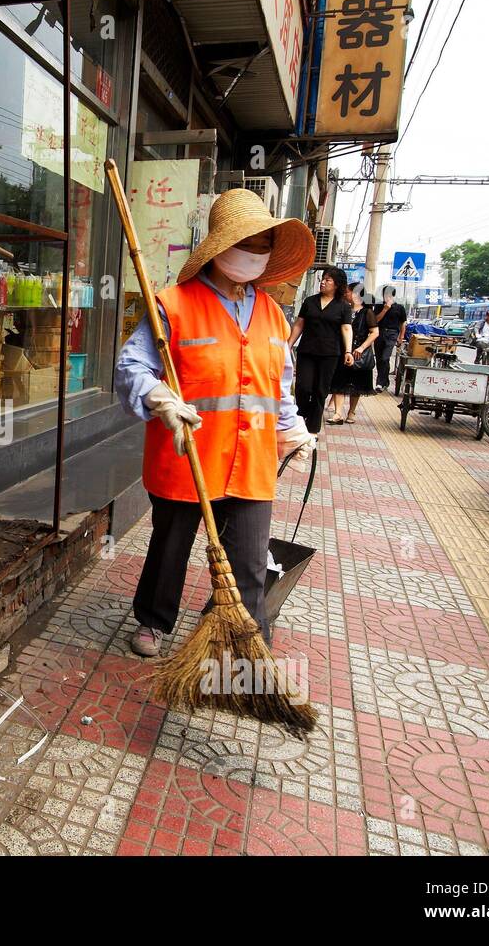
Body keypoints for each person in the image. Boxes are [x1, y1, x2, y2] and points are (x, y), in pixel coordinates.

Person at [115, 188, 317, 657]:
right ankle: (153, 620)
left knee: (248, 559)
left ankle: (240, 639)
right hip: (189, 458)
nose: (256, 255)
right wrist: (160, 396)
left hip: (251, 461)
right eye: (248, 244)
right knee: (172, 547)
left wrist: (293, 430)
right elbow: (132, 367)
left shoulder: (272, 313)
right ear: (220, 247)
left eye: (264, 246)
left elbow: (279, 384)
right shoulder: (174, 303)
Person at [289, 266, 353, 433]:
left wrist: (348, 351)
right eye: (322, 279)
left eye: (328, 280)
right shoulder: (310, 301)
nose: (323, 282)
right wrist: (287, 345)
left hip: (330, 354)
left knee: (320, 391)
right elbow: (299, 325)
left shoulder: (343, 306)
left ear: (337, 285)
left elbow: (346, 329)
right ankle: (302, 417)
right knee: (303, 388)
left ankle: (312, 430)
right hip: (307, 352)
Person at [327, 284, 379, 423]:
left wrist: (361, 348)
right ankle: (338, 413)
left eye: (348, 291)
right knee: (339, 382)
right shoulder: (344, 309)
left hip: (358, 353)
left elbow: (375, 332)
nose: (345, 293)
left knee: (357, 384)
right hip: (342, 351)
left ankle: (351, 412)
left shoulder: (367, 312)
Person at [372, 284, 406, 394]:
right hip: (380, 333)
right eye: (385, 294)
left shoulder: (399, 307)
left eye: (389, 294)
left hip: (392, 334)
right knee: (379, 358)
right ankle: (385, 381)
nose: (387, 296)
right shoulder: (379, 306)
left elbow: (403, 323)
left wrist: (401, 337)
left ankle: (380, 383)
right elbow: (376, 320)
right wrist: (385, 309)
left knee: (385, 357)